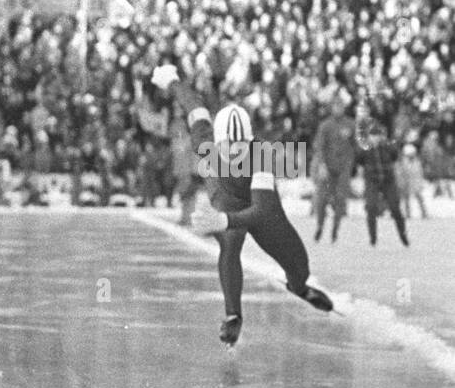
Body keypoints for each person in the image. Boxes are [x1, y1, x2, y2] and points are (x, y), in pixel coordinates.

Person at [152, 64, 333, 347]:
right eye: (229, 148)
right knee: (230, 242)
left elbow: (260, 212)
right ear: (216, 143)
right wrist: (172, 80)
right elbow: (193, 104)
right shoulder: (204, 142)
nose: (236, 153)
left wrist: (224, 221)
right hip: (226, 199)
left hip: (258, 204)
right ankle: (233, 315)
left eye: (242, 148)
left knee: (299, 267)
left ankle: (298, 287)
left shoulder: (262, 156)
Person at [355, 91, 409, 247]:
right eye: (373, 135)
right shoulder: (365, 148)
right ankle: (373, 238)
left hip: (388, 179)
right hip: (372, 179)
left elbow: (394, 156)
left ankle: (403, 235)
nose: (375, 138)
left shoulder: (387, 146)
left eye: (378, 135)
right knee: (371, 207)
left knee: (395, 208)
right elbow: (358, 160)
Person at [310, 92, 355, 243]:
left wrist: (354, 163)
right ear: (332, 108)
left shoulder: (350, 124)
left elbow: (356, 145)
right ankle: (320, 226)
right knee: (322, 199)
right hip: (327, 167)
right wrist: (321, 165)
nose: (338, 109)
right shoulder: (325, 125)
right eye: (336, 106)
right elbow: (319, 147)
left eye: (341, 106)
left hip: (343, 168)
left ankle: (335, 229)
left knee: (340, 200)